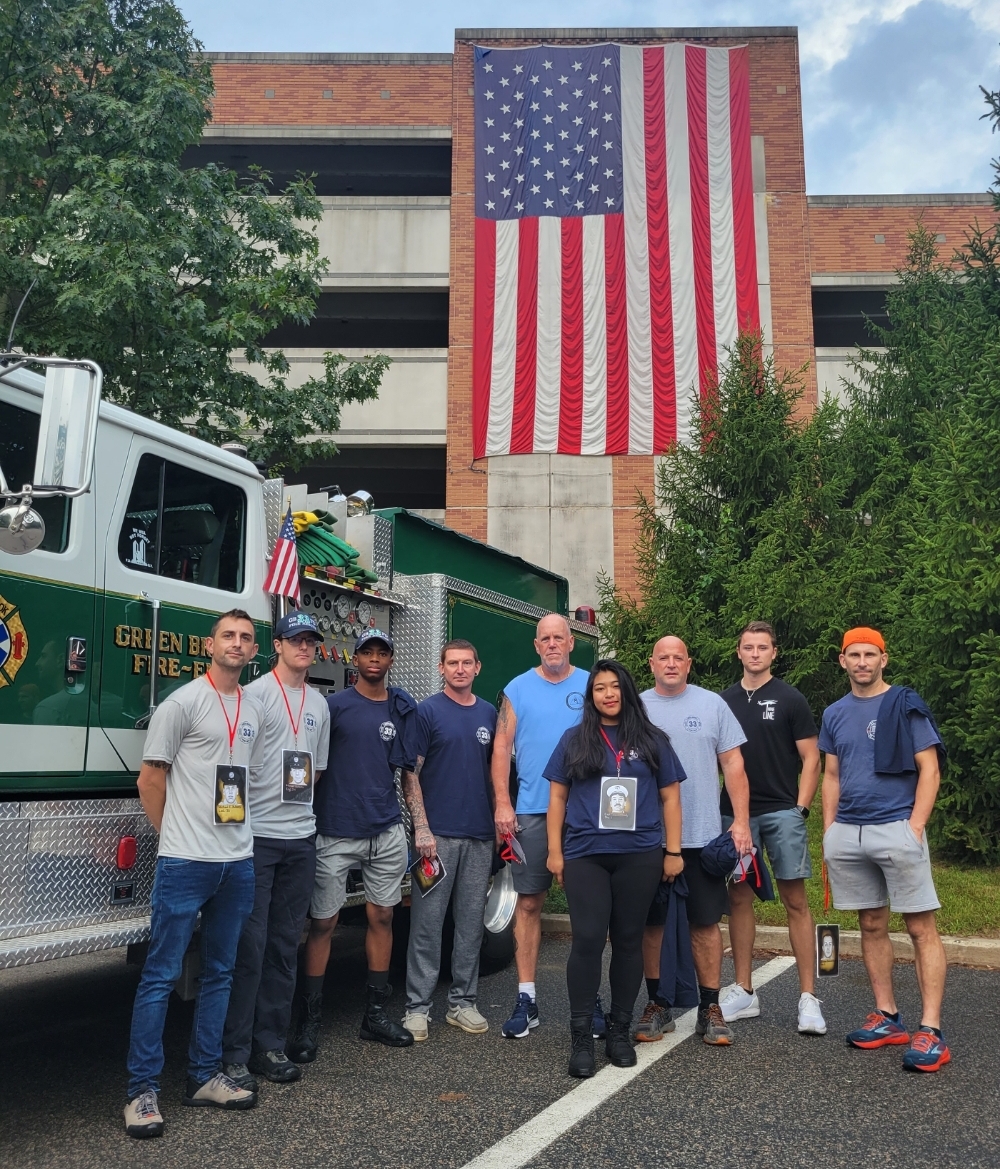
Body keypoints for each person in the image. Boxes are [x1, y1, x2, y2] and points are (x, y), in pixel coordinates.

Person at [124, 610, 264, 1140]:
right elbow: (149, 780)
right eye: (228, 635)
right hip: (186, 862)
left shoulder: (251, 707)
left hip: (237, 862)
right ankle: (141, 1091)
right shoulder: (182, 703)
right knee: (160, 976)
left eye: (246, 638)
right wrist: (174, 840)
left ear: (254, 651)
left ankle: (205, 1075)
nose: (237, 643)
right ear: (210, 646)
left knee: (220, 972)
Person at [545, 661, 685, 1078]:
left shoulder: (653, 740)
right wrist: (555, 852)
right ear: (591, 696)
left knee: (628, 941)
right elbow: (556, 799)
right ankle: (581, 1035)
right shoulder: (574, 739)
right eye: (599, 688)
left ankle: (620, 1031)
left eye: (614, 687)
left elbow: (671, 798)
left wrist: (673, 852)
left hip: (639, 854)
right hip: (585, 854)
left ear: (627, 691)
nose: (607, 694)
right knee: (587, 940)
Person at [820, 627, 950, 1072]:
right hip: (849, 832)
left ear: (883, 659)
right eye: (853, 655)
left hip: (896, 827)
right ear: (842, 661)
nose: (861, 662)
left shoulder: (904, 705)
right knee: (871, 923)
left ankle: (930, 1030)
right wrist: (829, 832)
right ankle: (888, 1017)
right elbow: (832, 775)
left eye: (869, 655)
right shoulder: (834, 713)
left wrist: (915, 826)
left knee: (920, 928)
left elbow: (928, 770)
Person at [288, 629, 417, 1060]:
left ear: (391, 659)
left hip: (384, 830)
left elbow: (407, 773)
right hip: (334, 830)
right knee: (323, 923)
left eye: (383, 652)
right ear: (355, 659)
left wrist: (420, 826)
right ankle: (308, 1023)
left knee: (383, 917)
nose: (375, 659)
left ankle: (375, 1017)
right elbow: (311, 768)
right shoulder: (332, 708)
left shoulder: (401, 708)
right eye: (367, 652)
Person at [221, 611, 330, 1091]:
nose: (304, 647)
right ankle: (235, 1053)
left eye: (310, 641)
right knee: (250, 945)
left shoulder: (320, 704)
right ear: (278, 645)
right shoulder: (255, 696)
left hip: (300, 838)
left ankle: (270, 1045)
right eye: (295, 640)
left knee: (286, 946)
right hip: (256, 838)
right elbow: (233, 766)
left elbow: (316, 771)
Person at [638, 636, 752, 1046]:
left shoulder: (712, 705)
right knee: (652, 923)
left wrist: (740, 822)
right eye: (663, 658)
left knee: (705, 923)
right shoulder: (637, 707)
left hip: (702, 834)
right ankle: (657, 1005)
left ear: (689, 664)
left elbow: (733, 764)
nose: (671, 664)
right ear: (652, 664)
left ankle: (710, 1006)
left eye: (678, 658)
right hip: (649, 836)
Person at [718, 621, 826, 1036]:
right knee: (738, 898)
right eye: (749, 647)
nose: (756, 653)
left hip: (782, 812)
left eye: (763, 647)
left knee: (794, 900)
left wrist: (800, 808)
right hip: (736, 816)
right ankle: (745, 990)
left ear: (774, 653)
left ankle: (808, 998)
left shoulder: (790, 698)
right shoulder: (723, 701)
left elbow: (811, 759)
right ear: (739, 652)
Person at [491, 613, 590, 1040]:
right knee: (529, 904)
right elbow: (501, 747)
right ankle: (526, 999)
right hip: (531, 810)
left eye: (559, 638)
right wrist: (502, 802)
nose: (552, 644)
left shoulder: (591, 684)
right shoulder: (516, 689)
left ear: (571, 643)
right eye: (544, 639)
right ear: (537, 646)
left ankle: (592, 1001)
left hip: (584, 813)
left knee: (589, 906)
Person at [400, 639, 498, 1041]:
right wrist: (421, 829)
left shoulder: (490, 714)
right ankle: (417, 1009)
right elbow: (411, 774)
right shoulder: (426, 712)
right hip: (435, 839)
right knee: (427, 925)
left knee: (471, 924)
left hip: (480, 836)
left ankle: (462, 1003)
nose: (459, 669)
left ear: (478, 667)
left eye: (466, 663)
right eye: (452, 663)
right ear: (441, 668)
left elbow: (498, 773)